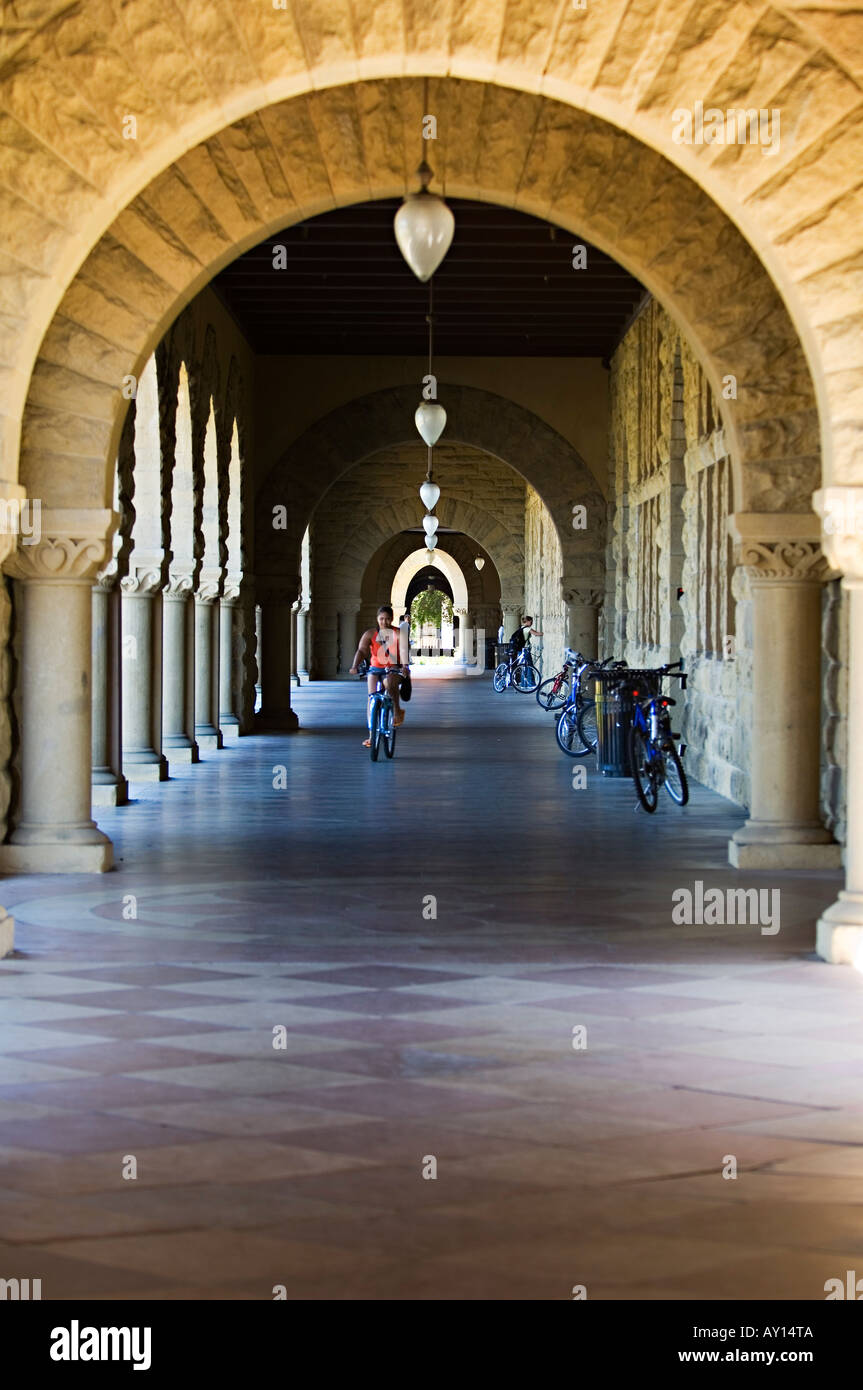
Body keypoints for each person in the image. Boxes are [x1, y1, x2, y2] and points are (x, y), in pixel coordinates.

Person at [350, 605, 408, 747]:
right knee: (371, 698)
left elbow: (404, 649)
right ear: (377, 619)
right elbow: (362, 650)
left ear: (392, 619)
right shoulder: (370, 634)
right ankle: (371, 736)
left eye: (388, 619)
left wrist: (405, 666)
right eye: (382, 619)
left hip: (393, 668)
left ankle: (396, 710)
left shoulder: (398, 633)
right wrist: (354, 665)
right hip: (375, 668)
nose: (384, 622)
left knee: (389, 683)